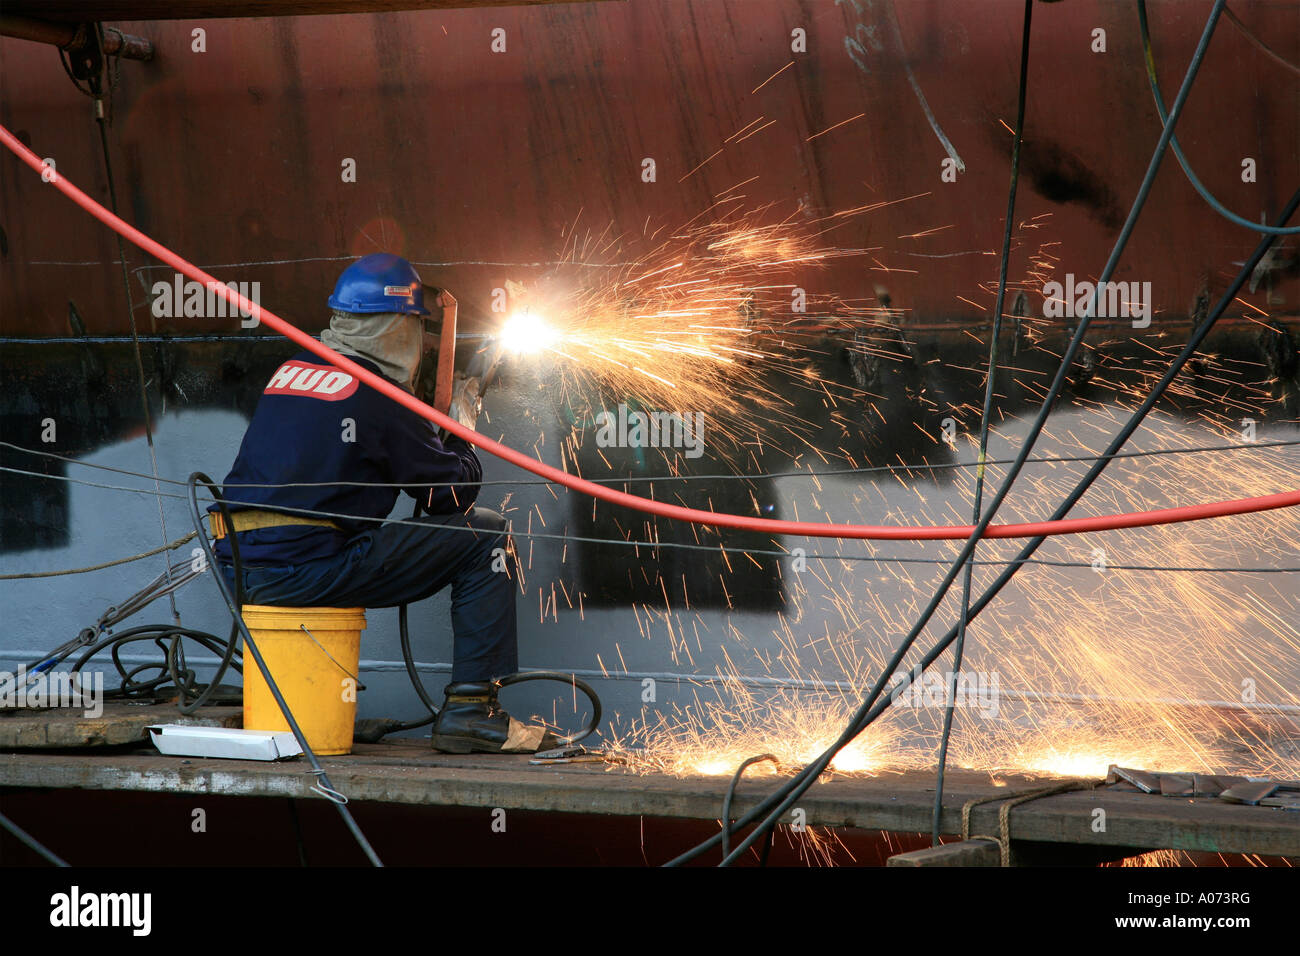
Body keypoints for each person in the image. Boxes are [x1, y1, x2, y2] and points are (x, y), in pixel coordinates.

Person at [212, 253, 556, 754]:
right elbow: (449, 497)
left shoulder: (291, 370)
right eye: (416, 328)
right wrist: (462, 429)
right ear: (399, 328)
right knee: (486, 536)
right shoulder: (378, 394)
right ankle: (470, 711)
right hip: (304, 571)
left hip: (239, 569)